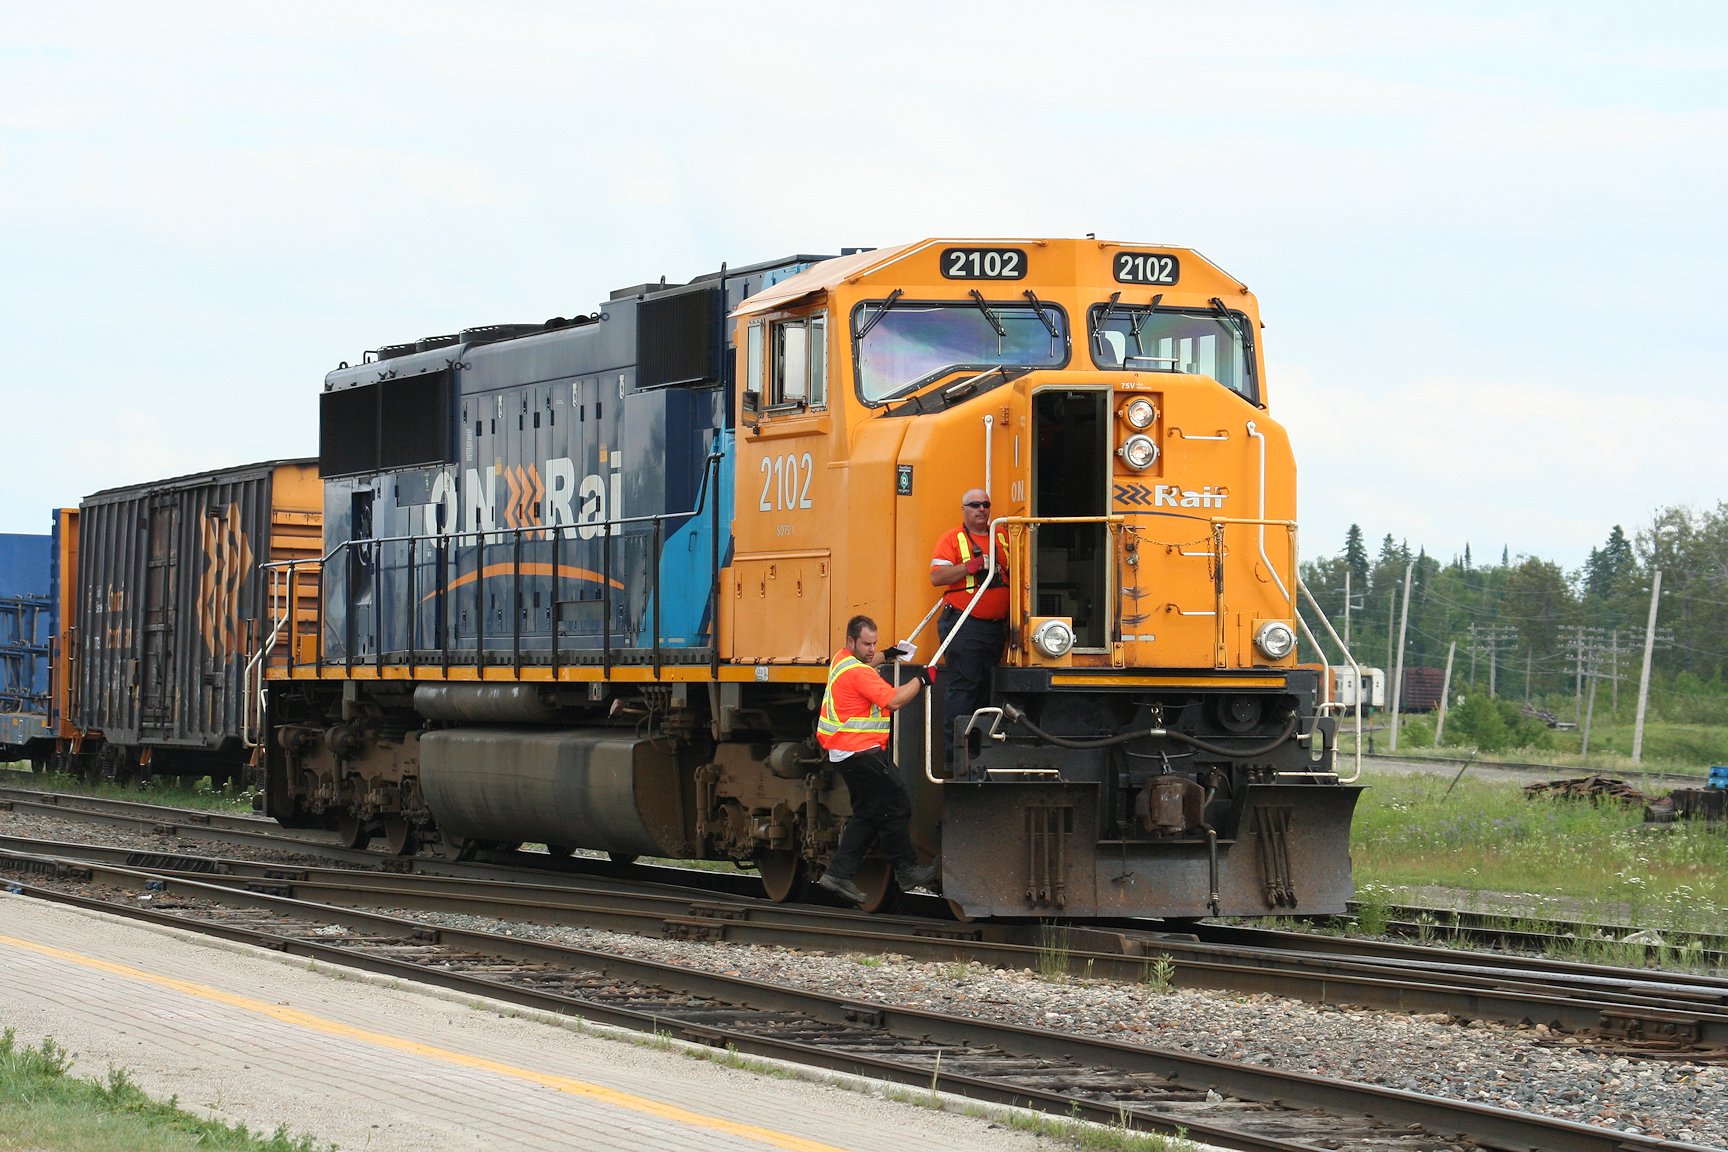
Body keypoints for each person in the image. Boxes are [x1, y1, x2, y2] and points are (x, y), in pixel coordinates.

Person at [814, 614, 940, 904]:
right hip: (862, 753)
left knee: (869, 814)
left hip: (846, 754)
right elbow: (894, 700)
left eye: (874, 644)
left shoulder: (841, 660)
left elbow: (869, 660)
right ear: (851, 641)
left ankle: (837, 874)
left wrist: (891, 652)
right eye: (866, 644)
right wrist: (922, 679)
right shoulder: (859, 674)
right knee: (897, 804)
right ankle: (906, 870)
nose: (872, 650)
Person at [928, 487, 1010, 748]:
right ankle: (957, 757)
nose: (981, 509)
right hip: (965, 624)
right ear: (964, 509)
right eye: (974, 505)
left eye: (985, 504)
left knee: (987, 690)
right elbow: (937, 577)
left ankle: (980, 753)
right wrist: (970, 567)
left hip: (996, 628)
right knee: (964, 689)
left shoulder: (1002, 536)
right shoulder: (952, 539)